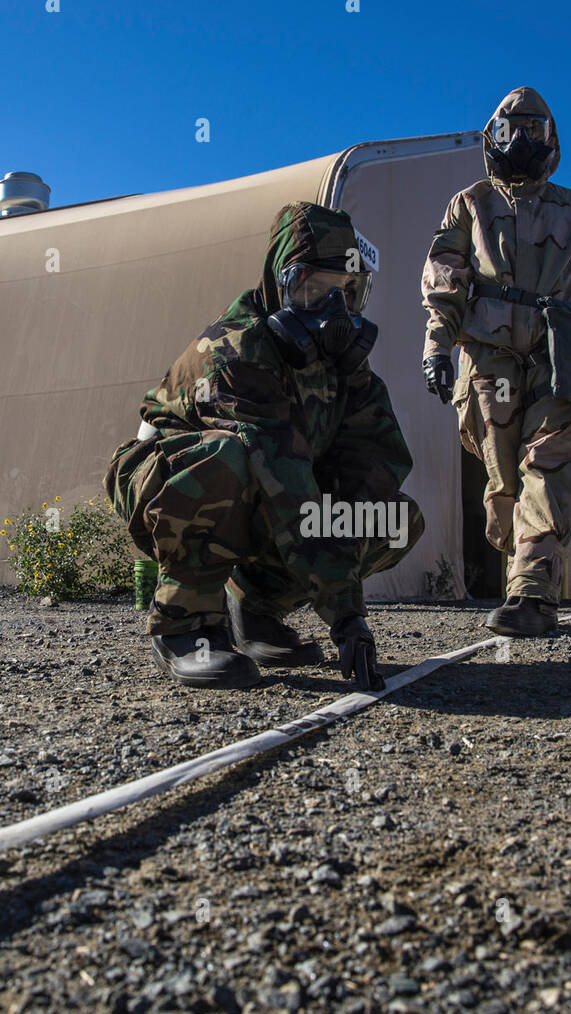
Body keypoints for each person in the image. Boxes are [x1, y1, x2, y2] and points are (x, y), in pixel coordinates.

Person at [106, 201, 423, 691]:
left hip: (265, 489)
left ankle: (255, 608)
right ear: (281, 283)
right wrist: (344, 615)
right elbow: (280, 473)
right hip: (166, 482)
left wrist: (348, 598)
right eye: (314, 289)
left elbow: (374, 464)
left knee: (391, 518)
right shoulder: (238, 349)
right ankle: (185, 622)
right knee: (232, 459)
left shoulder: (344, 369)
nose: (334, 311)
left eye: (348, 293)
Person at [421, 86, 571, 637]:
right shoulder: (470, 203)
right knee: (503, 481)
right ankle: (518, 569)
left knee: (551, 460)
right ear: (491, 137)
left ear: (552, 141)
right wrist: (437, 346)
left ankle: (533, 590)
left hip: (558, 354)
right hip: (488, 356)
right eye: (509, 129)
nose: (521, 140)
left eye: (534, 130)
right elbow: (446, 281)